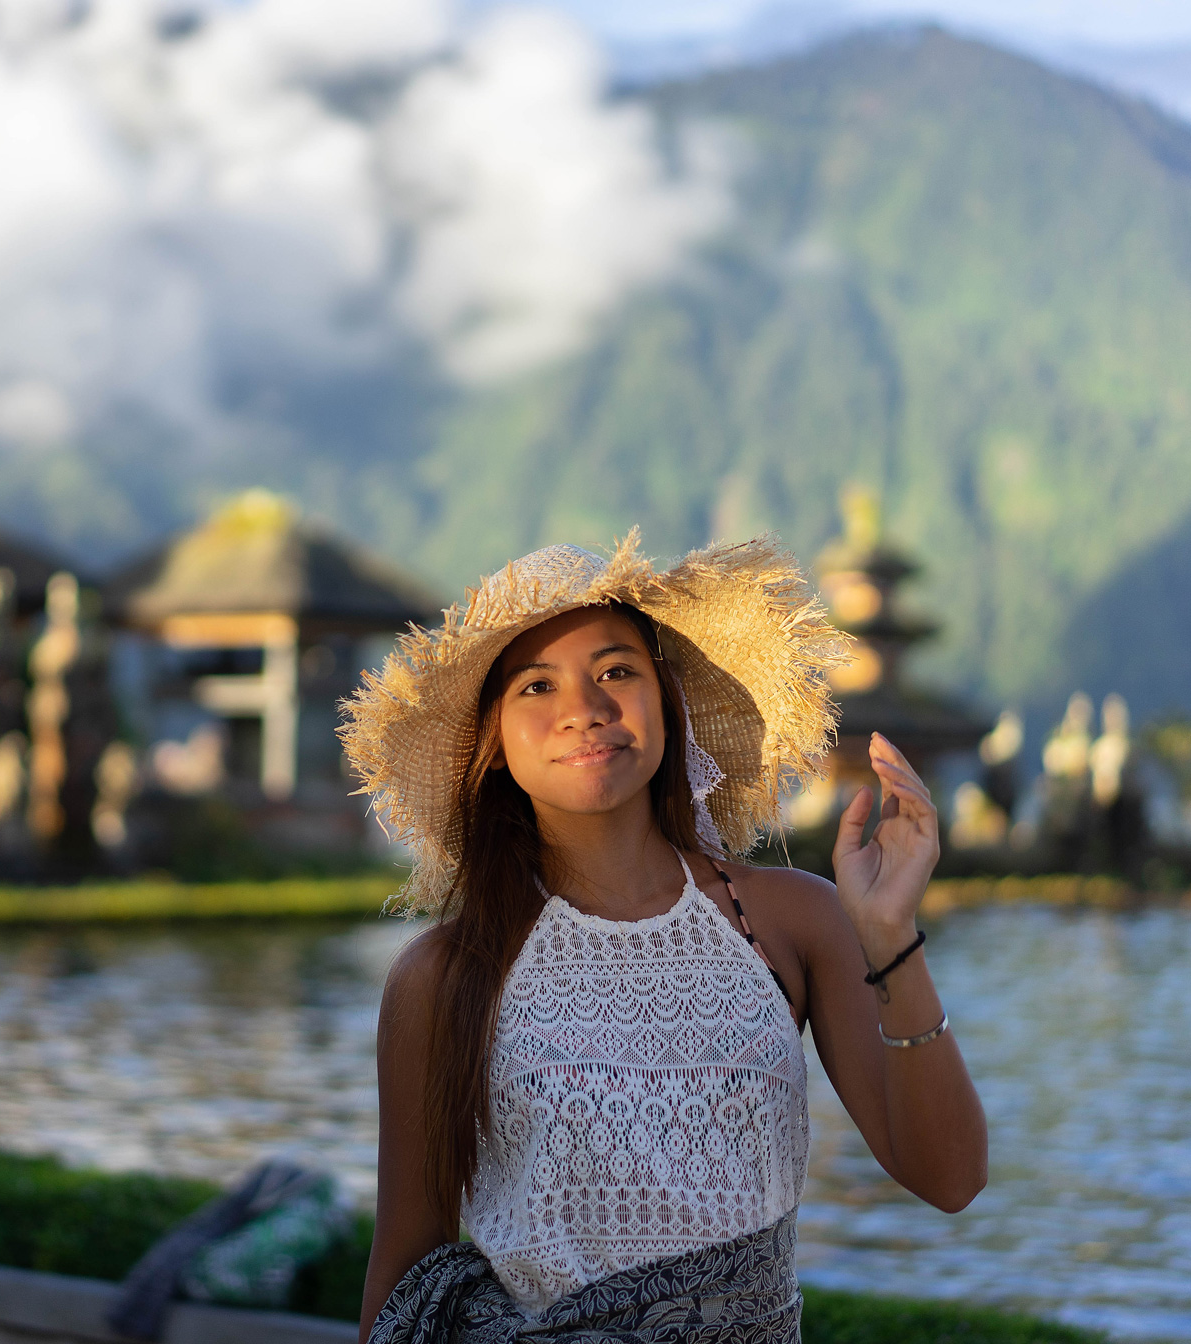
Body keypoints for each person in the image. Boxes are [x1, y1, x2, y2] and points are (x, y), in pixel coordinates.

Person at [340, 538, 986, 1343]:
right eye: (537, 686)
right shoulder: (445, 974)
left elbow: (950, 1178)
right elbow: (407, 1267)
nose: (586, 708)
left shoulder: (789, 920)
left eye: (616, 671)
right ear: (495, 743)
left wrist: (890, 934)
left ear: (666, 702)